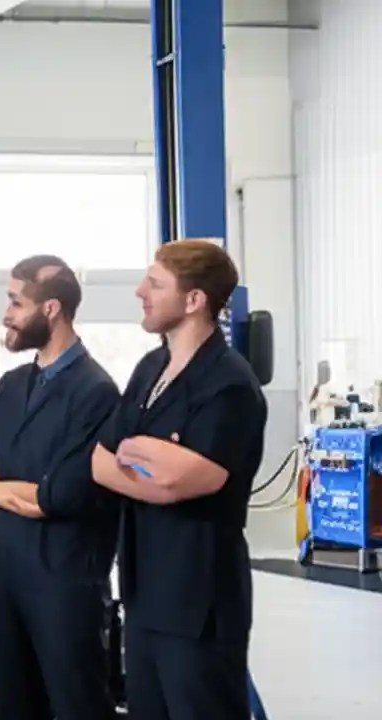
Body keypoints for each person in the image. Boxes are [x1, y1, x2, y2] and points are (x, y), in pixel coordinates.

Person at [91, 239, 267, 719]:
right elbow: (100, 463)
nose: (139, 291)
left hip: (199, 602)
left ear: (194, 301)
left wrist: (136, 452)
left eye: (155, 283)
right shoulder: (150, 368)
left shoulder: (229, 383)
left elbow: (185, 482)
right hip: (144, 592)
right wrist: (149, 457)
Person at [0, 255, 121, 720]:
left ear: (51, 309)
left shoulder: (96, 392)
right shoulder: (11, 384)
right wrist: (8, 486)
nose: (6, 314)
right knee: (15, 706)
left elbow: (60, 494)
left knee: (78, 704)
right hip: (6, 574)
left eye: (15, 302)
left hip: (65, 580)